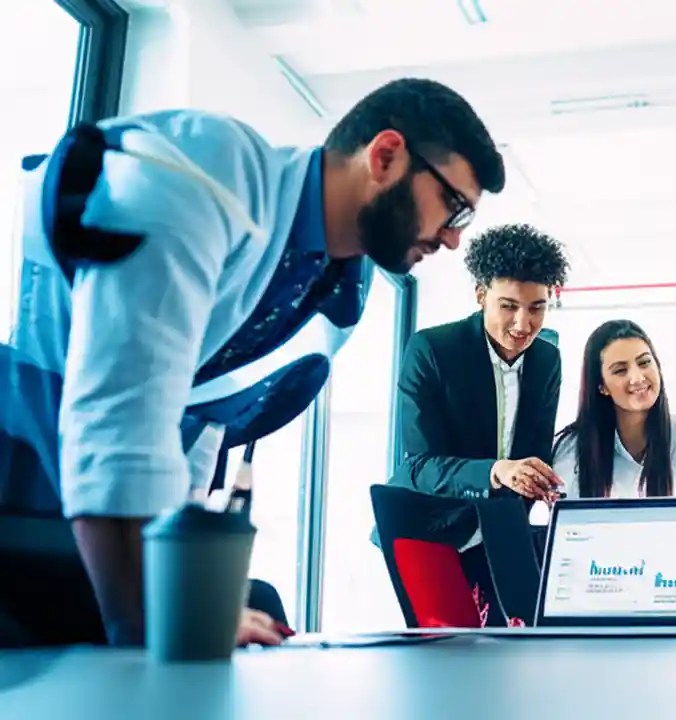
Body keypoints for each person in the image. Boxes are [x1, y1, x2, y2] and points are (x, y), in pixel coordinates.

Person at [1, 78, 505, 647]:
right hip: (26, 483)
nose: (454, 239)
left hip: (89, 514)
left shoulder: (337, 289)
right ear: (385, 156)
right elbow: (121, 421)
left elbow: (201, 422)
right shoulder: (202, 177)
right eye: (455, 206)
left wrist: (192, 601)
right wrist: (169, 623)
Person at [384, 223, 568, 504]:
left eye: (536, 308)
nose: (523, 324)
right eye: (508, 306)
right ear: (481, 295)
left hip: (500, 519)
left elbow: (536, 455)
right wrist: (494, 472)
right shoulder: (432, 350)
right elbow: (420, 466)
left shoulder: (547, 360)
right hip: (428, 516)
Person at [552, 320, 676, 499]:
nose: (637, 378)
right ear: (602, 386)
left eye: (644, 362)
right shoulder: (571, 449)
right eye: (620, 370)